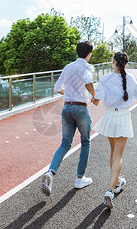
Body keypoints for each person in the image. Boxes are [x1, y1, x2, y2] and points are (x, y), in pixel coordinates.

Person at [41, 41, 96, 196]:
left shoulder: (68, 67)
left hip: (66, 108)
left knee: (65, 143)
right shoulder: (86, 67)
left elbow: (57, 88)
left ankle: (51, 173)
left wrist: (70, 94)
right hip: (80, 108)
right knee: (85, 142)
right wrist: (94, 96)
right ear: (89, 54)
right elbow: (88, 82)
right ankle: (80, 179)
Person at [91, 52, 137, 209]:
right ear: (126, 64)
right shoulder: (131, 79)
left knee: (113, 151)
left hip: (109, 116)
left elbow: (97, 100)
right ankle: (111, 189)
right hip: (124, 116)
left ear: (113, 62)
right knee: (118, 154)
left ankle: (117, 183)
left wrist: (93, 99)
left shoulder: (105, 79)